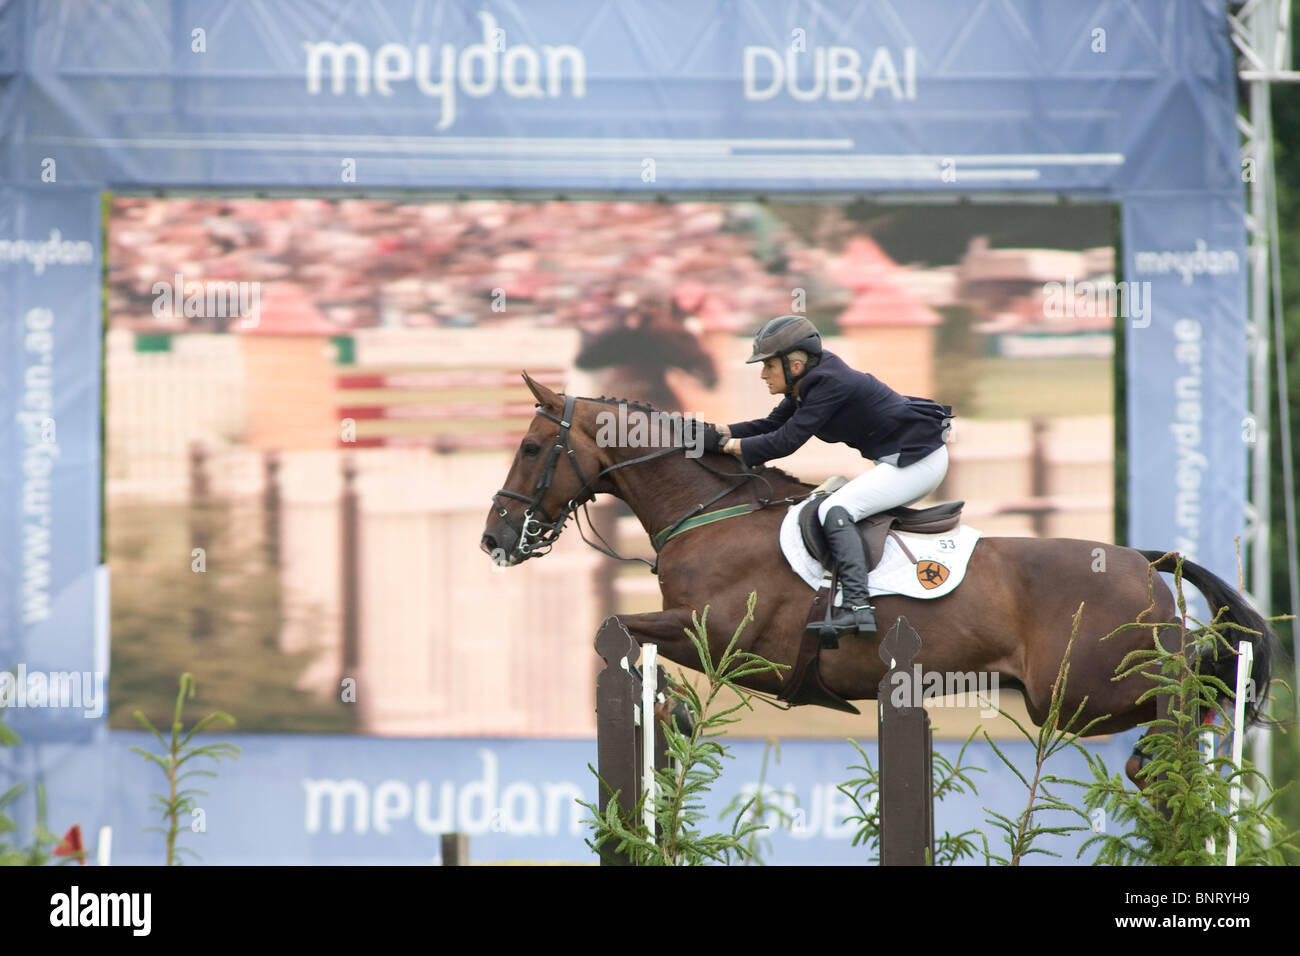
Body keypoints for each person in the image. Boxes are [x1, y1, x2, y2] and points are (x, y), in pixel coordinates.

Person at [702, 315, 952, 636]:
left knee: (835, 511)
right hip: (904, 460)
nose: (763, 375)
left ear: (794, 365)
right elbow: (770, 425)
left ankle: (858, 608)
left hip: (917, 464)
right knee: (831, 506)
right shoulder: (811, 379)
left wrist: (725, 446)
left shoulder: (828, 383)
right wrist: (713, 432)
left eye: (769, 366)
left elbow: (785, 441)